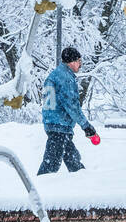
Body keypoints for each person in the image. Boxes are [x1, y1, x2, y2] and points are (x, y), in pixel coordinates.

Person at [37, 46, 98, 175]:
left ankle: (83, 182)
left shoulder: (56, 75)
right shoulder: (66, 78)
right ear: (72, 62)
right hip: (59, 125)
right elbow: (72, 106)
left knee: (73, 160)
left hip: (54, 123)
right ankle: (37, 189)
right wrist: (86, 126)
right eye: (79, 61)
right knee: (50, 165)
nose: (80, 64)